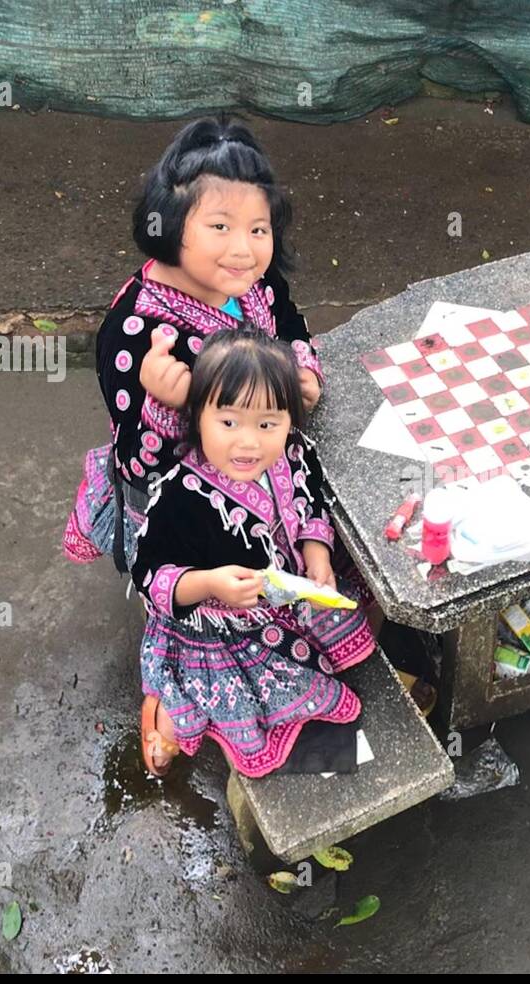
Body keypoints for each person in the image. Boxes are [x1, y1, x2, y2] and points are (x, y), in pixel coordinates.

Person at [62, 115, 323, 573]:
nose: (244, 249)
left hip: (270, 471)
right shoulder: (135, 333)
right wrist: (165, 405)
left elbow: (289, 323)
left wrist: (302, 369)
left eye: (258, 230)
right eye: (220, 227)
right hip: (190, 514)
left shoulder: (254, 281)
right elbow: (140, 469)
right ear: (172, 222)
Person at [131, 327, 374, 778]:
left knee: (359, 620)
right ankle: (166, 715)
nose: (248, 442)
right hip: (219, 629)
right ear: (197, 417)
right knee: (257, 713)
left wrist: (317, 552)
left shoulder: (292, 454)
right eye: (228, 422)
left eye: (268, 423)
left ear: (290, 420)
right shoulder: (181, 494)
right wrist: (207, 583)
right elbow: (149, 570)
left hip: (287, 596)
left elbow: (310, 500)